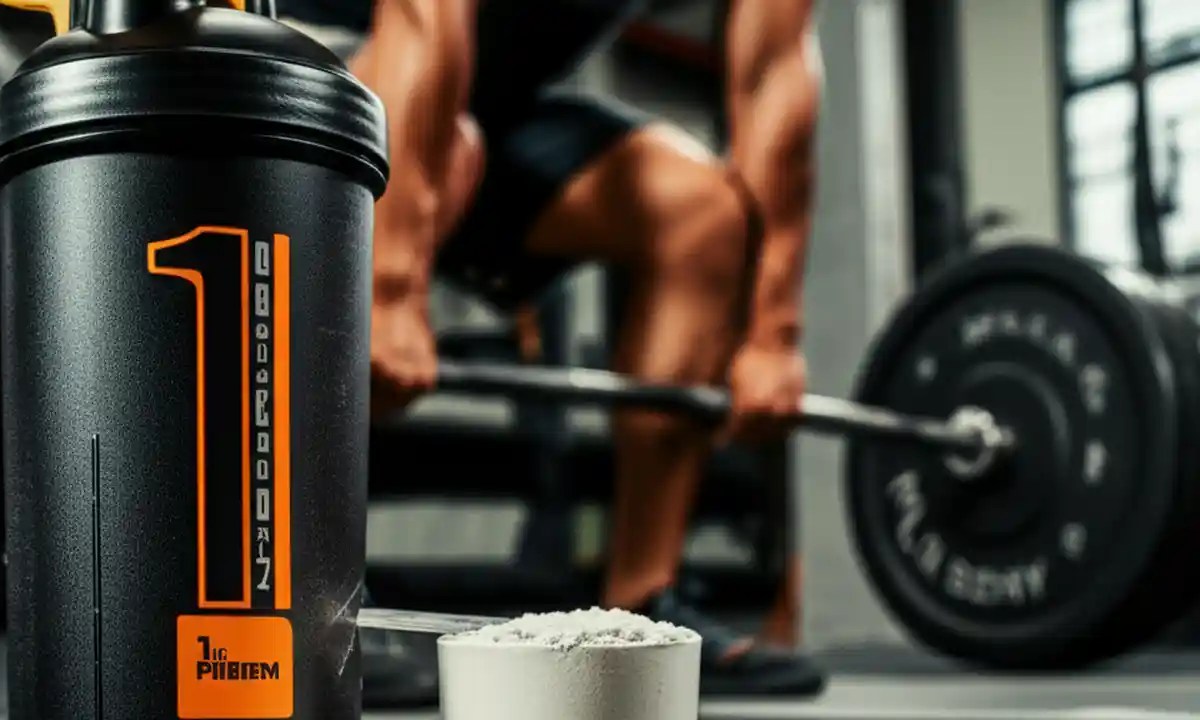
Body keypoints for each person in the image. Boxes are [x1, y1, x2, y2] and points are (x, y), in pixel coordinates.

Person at [287, 0, 824, 696]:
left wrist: (773, 336)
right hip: (310, 72)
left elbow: (774, 75)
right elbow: (425, 17)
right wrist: (389, 290)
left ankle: (637, 616)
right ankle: (302, 606)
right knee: (448, 150)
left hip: (485, 108)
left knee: (698, 214)